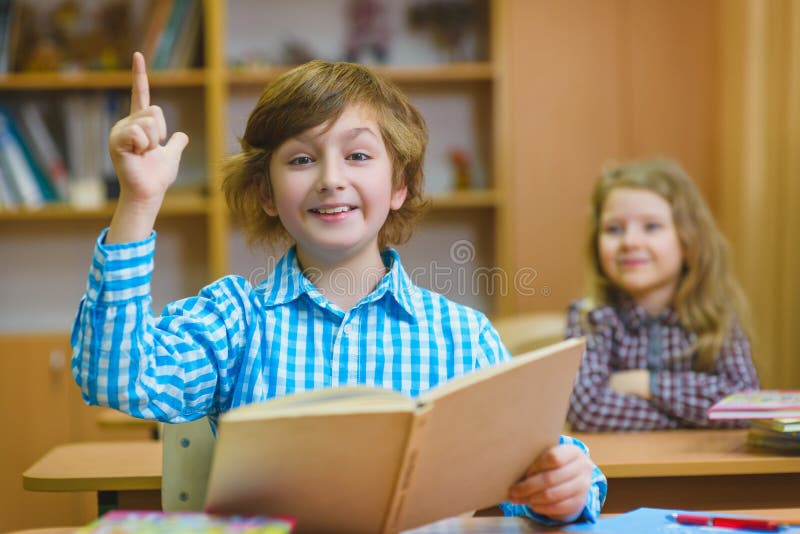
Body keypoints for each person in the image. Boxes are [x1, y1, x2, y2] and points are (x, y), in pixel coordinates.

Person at [71, 52, 606, 524]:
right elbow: (115, 379)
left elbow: (540, 474)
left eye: (358, 155)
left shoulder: (461, 336)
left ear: (399, 185)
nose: (331, 178)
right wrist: (137, 203)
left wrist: (564, 488)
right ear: (265, 191)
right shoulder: (235, 317)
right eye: (302, 159)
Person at [566, 158, 759, 432]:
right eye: (614, 229)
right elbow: (585, 410)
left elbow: (746, 404)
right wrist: (694, 416)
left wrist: (645, 383)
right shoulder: (590, 315)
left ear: (688, 239)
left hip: (702, 469)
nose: (630, 242)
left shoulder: (716, 315)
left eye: (651, 227)